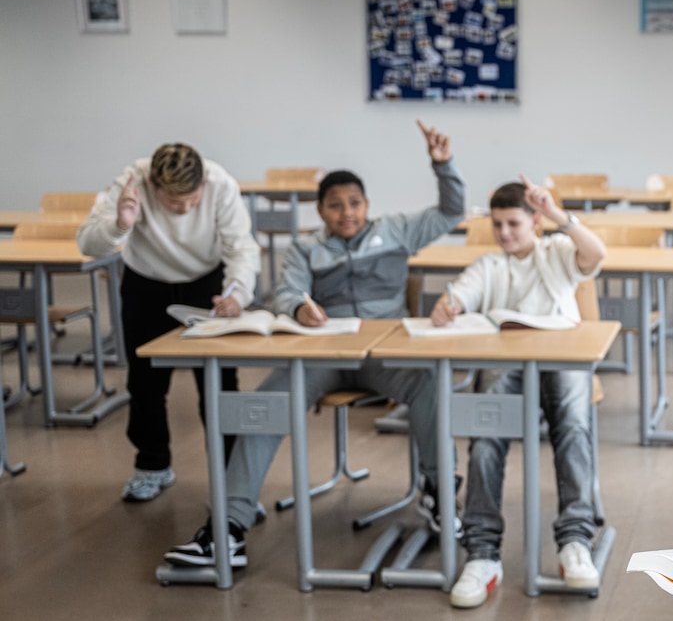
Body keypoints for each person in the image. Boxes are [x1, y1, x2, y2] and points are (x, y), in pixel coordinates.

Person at [163, 120, 465, 568]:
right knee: (267, 402)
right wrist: (298, 309)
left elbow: (452, 212)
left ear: (367, 205)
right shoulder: (305, 249)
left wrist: (443, 165)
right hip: (324, 354)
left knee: (431, 386)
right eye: (335, 205)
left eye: (355, 203)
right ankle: (228, 529)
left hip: (385, 353)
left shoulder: (398, 230)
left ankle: (440, 493)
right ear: (320, 210)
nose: (347, 213)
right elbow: (286, 292)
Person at [430, 177, 606, 608]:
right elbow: (462, 293)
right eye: (497, 224)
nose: (504, 232)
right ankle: (482, 553)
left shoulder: (557, 252)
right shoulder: (489, 265)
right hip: (506, 362)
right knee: (485, 431)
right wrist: (449, 306)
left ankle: (575, 540)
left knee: (573, 425)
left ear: (535, 223)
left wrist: (557, 214)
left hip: (561, 355)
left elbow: (596, 253)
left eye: (514, 223)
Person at [77, 143, 259, 502]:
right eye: (175, 202)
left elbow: (241, 248)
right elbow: (88, 244)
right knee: (145, 382)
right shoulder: (131, 181)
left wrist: (237, 295)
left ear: (203, 183)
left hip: (206, 282)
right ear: (153, 185)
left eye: (193, 199)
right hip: (146, 282)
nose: (185, 208)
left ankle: (232, 481)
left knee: (219, 383)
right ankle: (152, 465)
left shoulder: (220, 183)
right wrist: (120, 224)